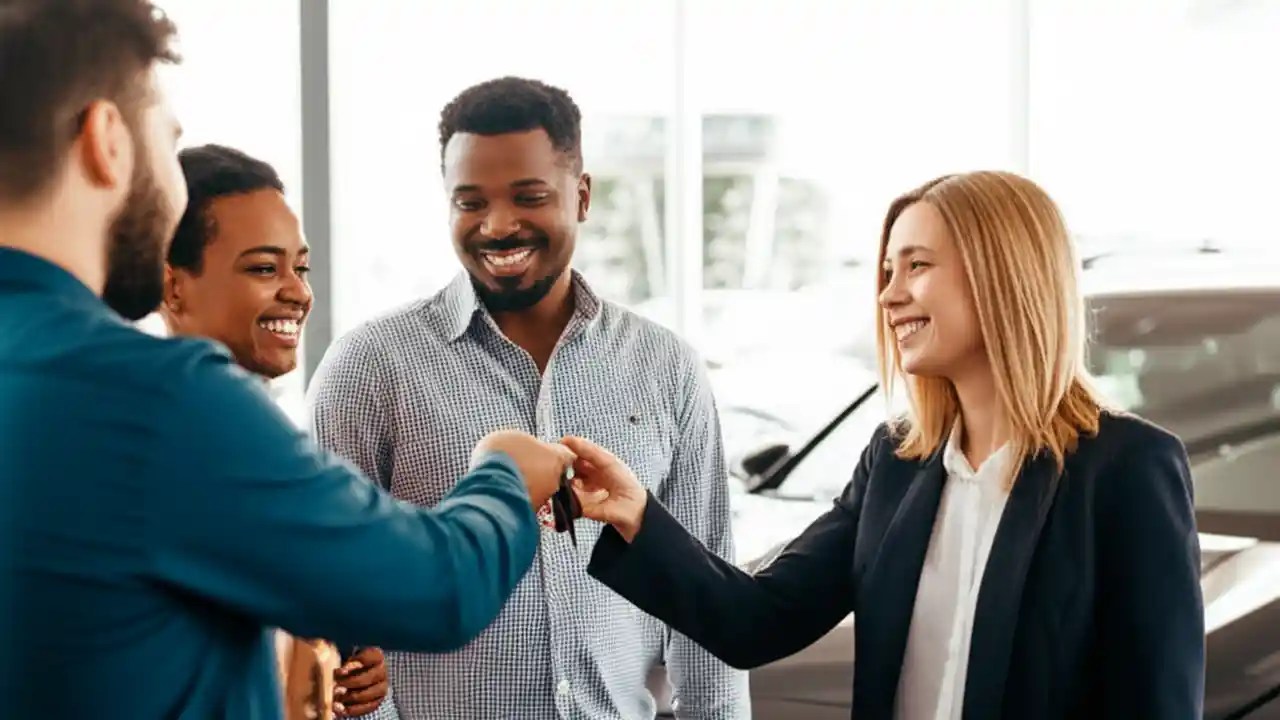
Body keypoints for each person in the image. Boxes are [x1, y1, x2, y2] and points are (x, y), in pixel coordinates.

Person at [0, 3, 575, 718]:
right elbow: (437, 587)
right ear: (106, 141)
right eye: (165, 141)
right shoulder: (154, 401)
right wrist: (506, 472)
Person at [563, 171, 1206, 720]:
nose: (889, 294)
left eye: (917, 266)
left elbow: (1156, 703)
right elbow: (754, 618)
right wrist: (635, 512)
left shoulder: (1125, 468)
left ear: (1002, 275)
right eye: (888, 269)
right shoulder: (897, 462)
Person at [308, 76, 749, 719]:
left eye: (529, 196)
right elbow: (334, 597)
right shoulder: (371, 367)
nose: (498, 225)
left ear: (583, 195)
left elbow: (708, 610)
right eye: (469, 202)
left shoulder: (665, 368)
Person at [160, 143, 391, 719]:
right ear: (173, 286)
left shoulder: (266, 436)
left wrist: (341, 650)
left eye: (301, 267)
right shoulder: (164, 445)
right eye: (264, 268)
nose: (299, 292)